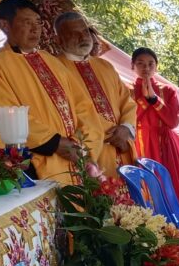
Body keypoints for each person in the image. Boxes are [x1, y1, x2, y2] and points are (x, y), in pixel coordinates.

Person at [0, 0, 104, 182]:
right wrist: (56, 143)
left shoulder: (52, 62)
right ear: (4, 25)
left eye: (38, 22)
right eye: (27, 22)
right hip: (36, 161)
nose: (35, 28)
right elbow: (6, 112)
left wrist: (85, 145)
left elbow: (84, 107)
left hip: (75, 157)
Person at [53, 12, 137, 177]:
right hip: (86, 156)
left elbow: (127, 101)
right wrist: (107, 135)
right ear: (59, 40)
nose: (82, 37)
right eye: (74, 34)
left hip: (121, 150)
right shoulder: (54, 69)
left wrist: (125, 129)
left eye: (84, 31)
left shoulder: (105, 66)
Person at [131, 48, 179, 212]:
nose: (146, 68)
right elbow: (130, 119)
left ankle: (177, 229)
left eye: (151, 64)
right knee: (146, 187)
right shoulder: (126, 90)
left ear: (156, 66)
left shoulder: (168, 90)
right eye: (140, 64)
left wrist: (154, 99)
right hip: (140, 144)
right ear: (132, 66)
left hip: (166, 144)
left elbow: (172, 121)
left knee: (169, 185)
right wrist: (144, 99)